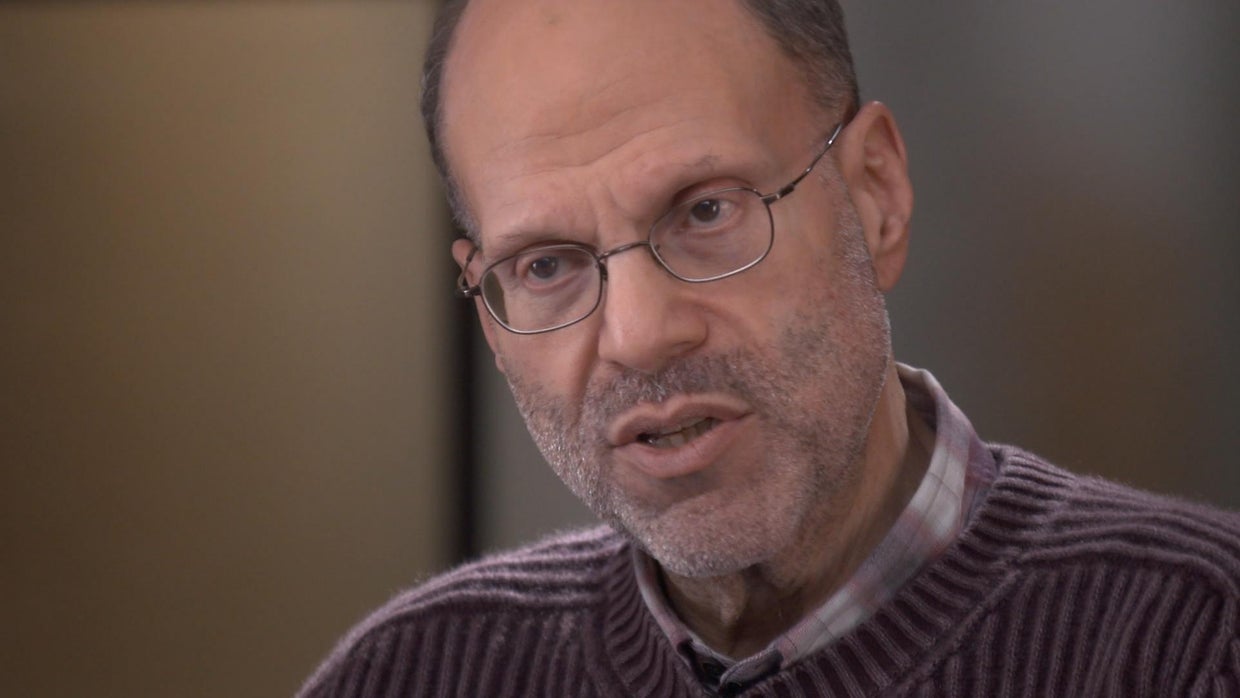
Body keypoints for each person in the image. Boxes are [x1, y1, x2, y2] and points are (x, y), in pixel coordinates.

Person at [299, 1, 1240, 695]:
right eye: (547, 264)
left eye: (707, 212)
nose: (639, 336)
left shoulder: (1197, 643)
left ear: (874, 194)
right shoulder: (412, 675)